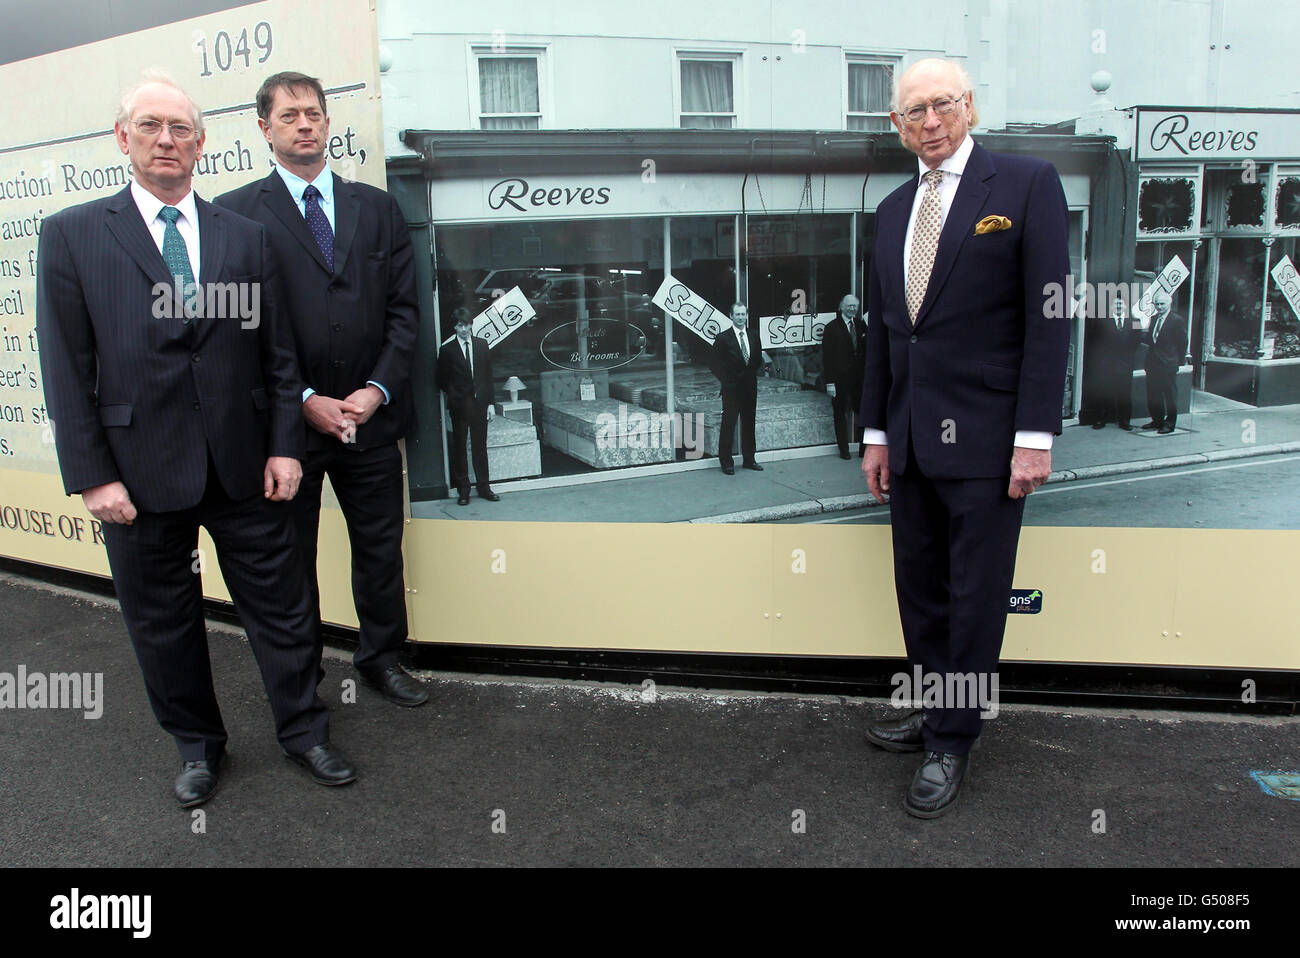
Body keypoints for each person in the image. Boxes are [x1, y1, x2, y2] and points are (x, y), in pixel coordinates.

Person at [36, 70, 355, 808]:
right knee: (163, 622)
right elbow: (66, 366)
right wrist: (92, 476)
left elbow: (278, 357)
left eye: (181, 128)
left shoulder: (246, 237)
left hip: (247, 468)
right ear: (123, 138)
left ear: (203, 144)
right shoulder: (75, 235)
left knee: (283, 610)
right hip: (137, 476)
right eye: (150, 126)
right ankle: (197, 748)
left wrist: (284, 446)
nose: (167, 140)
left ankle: (306, 732)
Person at [859, 58, 1069, 818]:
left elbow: (1050, 320)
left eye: (942, 106)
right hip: (910, 440)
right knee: (920, 590)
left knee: (976, 597)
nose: (930, 123)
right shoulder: (889, 210)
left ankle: (953, 740)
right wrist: (877, 433)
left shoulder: (1025, 185)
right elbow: (887, 335)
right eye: (913, 113)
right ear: (896, 125)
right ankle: (936, 707)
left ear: (970, 107)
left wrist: (1035, 435)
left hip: (989, 441)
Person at [216, 72, 426, 708]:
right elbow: (237, 328)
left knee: (380, 549)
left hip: (371, 419)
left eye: (314, 113)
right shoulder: (233, 215)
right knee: (288, 565)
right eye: (289, 116)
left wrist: (376, 390)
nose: (304, 124)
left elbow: (404, 312)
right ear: (265, 130)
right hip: (287, 430)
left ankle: (382, 658)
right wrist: (303, 399)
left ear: (328, 122)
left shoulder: (376, 208)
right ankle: (301, 683)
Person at [435, 307, 499, 505]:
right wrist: (455, 394)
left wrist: (490, 404)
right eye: (460, 325)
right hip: (460, 405)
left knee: (480, 446)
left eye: (467, 324)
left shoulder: (482, 345)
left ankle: (484, 487)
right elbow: (441, 379)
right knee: (460, 447)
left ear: (472, 324)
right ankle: (464, 490)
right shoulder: (447, 350)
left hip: (480, 405)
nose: (464, 329)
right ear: (455, 327)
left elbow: (488, 377)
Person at [709, 303, 764, 475]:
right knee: (729, 425)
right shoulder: (723, 338)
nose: (741, 318)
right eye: (737, 314)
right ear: (731, 316)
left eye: (743, 314)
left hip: (750, 387)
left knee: (749, 424)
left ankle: (749, 459)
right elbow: (714, 363)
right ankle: (726, 462)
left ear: (747, 315)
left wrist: (749, 376)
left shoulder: (754, 335)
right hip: (731, 389)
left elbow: (756, 360)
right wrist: (727, 380)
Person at [822, 294, 869, 458]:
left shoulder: (861, 325)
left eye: (854, 306)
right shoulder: (831, 328)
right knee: (840, 414)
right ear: (841, 307)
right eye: (849, 306)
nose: (852, 309)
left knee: (863, 413)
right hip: (839, 380)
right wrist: (829, 383)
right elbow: (827, 358)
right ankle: (844, 450)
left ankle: (864, 449)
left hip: (860, 380)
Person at [1139, 288, 1186, 434]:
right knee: (1153, 394)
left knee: (1169, 395)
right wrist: (1136, 329)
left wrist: (1178, 362)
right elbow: (1151, 340)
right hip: (1152, 363)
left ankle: (1169, 424)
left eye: (1162, 304)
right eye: (1157, 304)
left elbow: (1183, 342)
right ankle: (1157, 420)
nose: (1159, 307)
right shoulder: (1154, 318)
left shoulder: (1177, 320)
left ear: (1169, 304)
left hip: (1168, 364)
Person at [1090, 297, 1140, 430]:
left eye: (1121, 303)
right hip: (1106, 364)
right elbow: (1095, 341)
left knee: (1124, 394)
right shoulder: (1102, 322)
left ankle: (1125, 421)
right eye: (1115, 304)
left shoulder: (1135, 322)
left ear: (1125, 306)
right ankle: (1100, 419)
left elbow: (1136, 343)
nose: (1118, 306)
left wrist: (1127, 359)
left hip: (1125, 365)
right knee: (1103, 392)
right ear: (1111, 306)